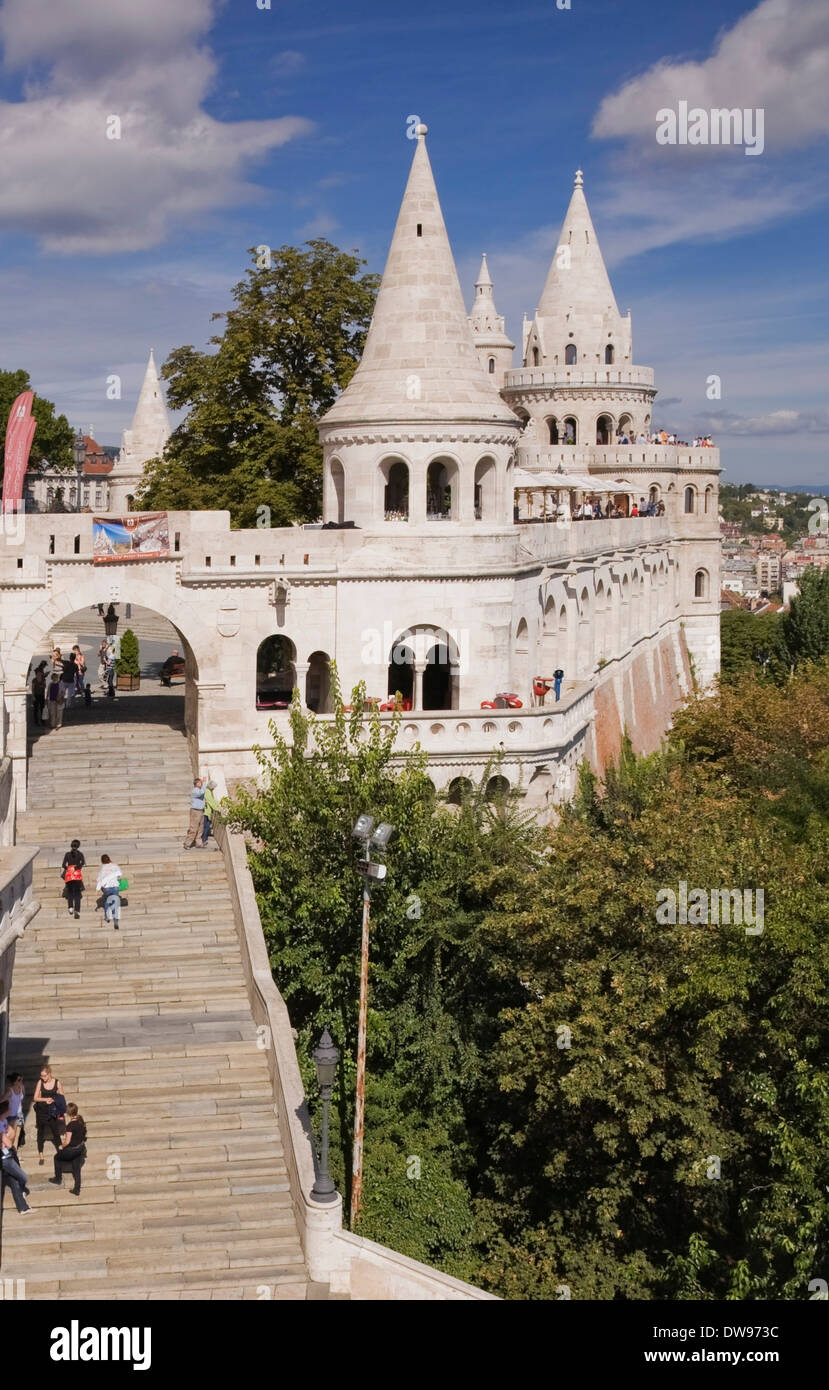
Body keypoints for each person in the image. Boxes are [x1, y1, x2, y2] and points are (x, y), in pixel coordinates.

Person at [49, 1103, 87, 1196]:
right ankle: (77, 1189)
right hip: (80, 1149)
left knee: (56, 1157)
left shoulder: (70, 1125)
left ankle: (58, 1178)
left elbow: (67, 1142)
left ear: (69, 1113)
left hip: (72, 1150)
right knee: (76, 1167)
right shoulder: (81, 1120)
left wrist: (61, 1146)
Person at [32, 1065, 64, 1165]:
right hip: (41, 1111)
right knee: (40, 1133)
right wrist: (46, 1099)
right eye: (41, 1076)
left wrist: (54, 1099)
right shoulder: (40, 1082)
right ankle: (41, 1155)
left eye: (44, 1076)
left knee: (56, 1132)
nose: (43, 1078)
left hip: (52, 1112)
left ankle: (60, 1153)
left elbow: (61, 1097)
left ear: (49, 1074)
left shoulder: (57, 1082)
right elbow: (35, 1098)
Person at [1, 1125, 32, 1214]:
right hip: (5, 1160)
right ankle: (22, 1205)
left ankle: (22, 1207)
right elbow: (9, 1144)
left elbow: (12, 1133)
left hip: (8, 1155)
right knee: (23, 1177)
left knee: (14, 1180)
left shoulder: (5, 1122)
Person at [97, 855, 123, 929]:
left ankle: (108, 917)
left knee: (107, 901)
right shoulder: (115, 865)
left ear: (102, 861)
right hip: (115, 887)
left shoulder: (103, 868)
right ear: (109, 859)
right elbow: (119, 875)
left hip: (107, 888)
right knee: (115, 904)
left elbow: (99, 878)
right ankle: (116, 922)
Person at [62, 839, 85, 919]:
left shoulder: (67, 854)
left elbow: (63, 865)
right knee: (78, 894)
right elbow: (83, 863)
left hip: (69, 875)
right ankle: (77, 910)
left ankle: (70, 907)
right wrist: (76, 868)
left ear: (71, 845)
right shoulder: (80, 854)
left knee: (70, 892)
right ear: (78, 846)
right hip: (77, 875)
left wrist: (69, 869)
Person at [183, 777, 205, 849]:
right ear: (196, 784)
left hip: (201, 810)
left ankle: (198, 843)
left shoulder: (199, 789)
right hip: (195, 811)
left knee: (200, 828)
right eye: (199, 782)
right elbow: (201, 793)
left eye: (201, 782)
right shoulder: (195, 790)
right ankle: (187, 843)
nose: (201, 783)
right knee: (194, 827)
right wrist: (204, 783)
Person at [201, 780, 219, 846]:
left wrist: (217, 805)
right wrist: (216, 808)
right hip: (206, 812)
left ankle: (207, 835)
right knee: (206, 826)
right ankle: (204, 840)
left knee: (208, 825)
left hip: (207, 811)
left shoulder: (208, 791)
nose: (214, 789)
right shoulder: (207, 792)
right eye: (214, 787)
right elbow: (210, 801)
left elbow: (213, 800)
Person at [32, 660, 47, 725]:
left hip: (41, 695)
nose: (39, 674)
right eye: (38, 673)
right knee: (36, 709)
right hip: (36, 695)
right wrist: (33, 696)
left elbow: (44, 687)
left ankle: (42, 721)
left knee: (42, 708)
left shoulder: (43, 680)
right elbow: (32, 688)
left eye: (40, 673)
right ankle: (36, 722)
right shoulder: (34, 680)